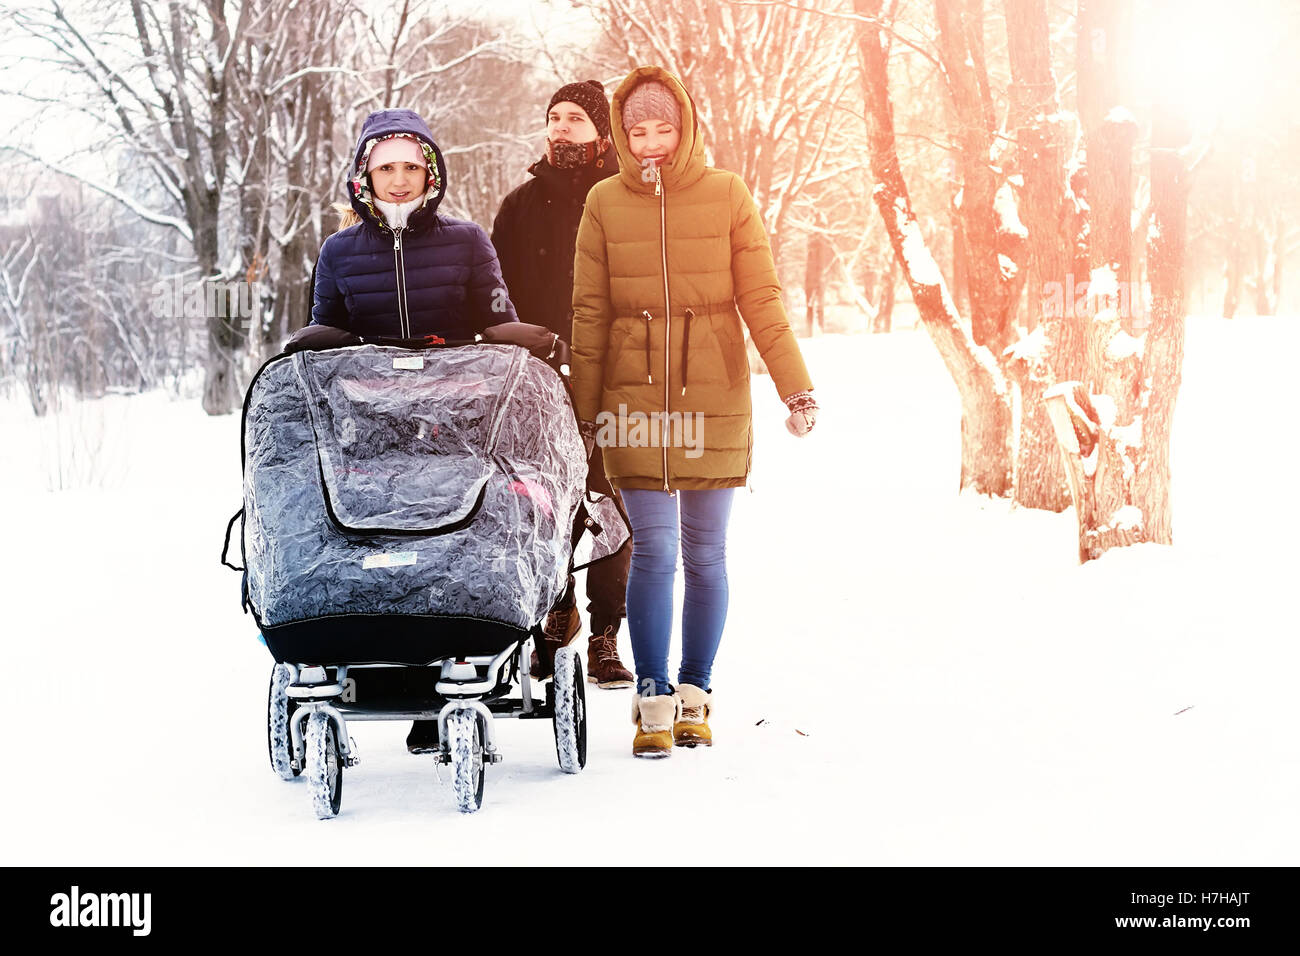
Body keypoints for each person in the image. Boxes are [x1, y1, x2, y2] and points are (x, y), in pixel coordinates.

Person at [570, 66, 819, 759]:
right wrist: (583, 412)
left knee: (706, 555)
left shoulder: (726, 194)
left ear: (684, 129)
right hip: (632, 395)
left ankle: (695, 694)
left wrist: (795, 389)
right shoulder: (602, 203)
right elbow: (589, 313)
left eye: (663, 129)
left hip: (715, 396)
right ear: (622, 134)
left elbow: (761, 297)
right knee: (653, 551)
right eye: (637, 130)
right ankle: (651, 699)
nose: (650, 143)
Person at [310, 108, 518, 754]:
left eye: (409, 167)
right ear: (363, 178)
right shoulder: (340, 252)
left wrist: (522, 337)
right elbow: (328, 333)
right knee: (383, 539)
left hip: (455, 422)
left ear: (430, 173)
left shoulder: (466, 242)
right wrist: (309, 344)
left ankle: (447, 676)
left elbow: (494, 317)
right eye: (385, 168)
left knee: (447, 540)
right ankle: (379, 658)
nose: (398, 180)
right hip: (372, 427)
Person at [491, 80, 635, 690]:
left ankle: (606, 637)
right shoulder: (520, 205)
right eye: (552, 117)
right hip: (539, 378)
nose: (559, 127)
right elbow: (494, 297)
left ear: (601, 132)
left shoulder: (624, 197)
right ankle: (554, 619)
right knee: (546, 503)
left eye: (574, 118)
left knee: (611, 503)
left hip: (617, 375)